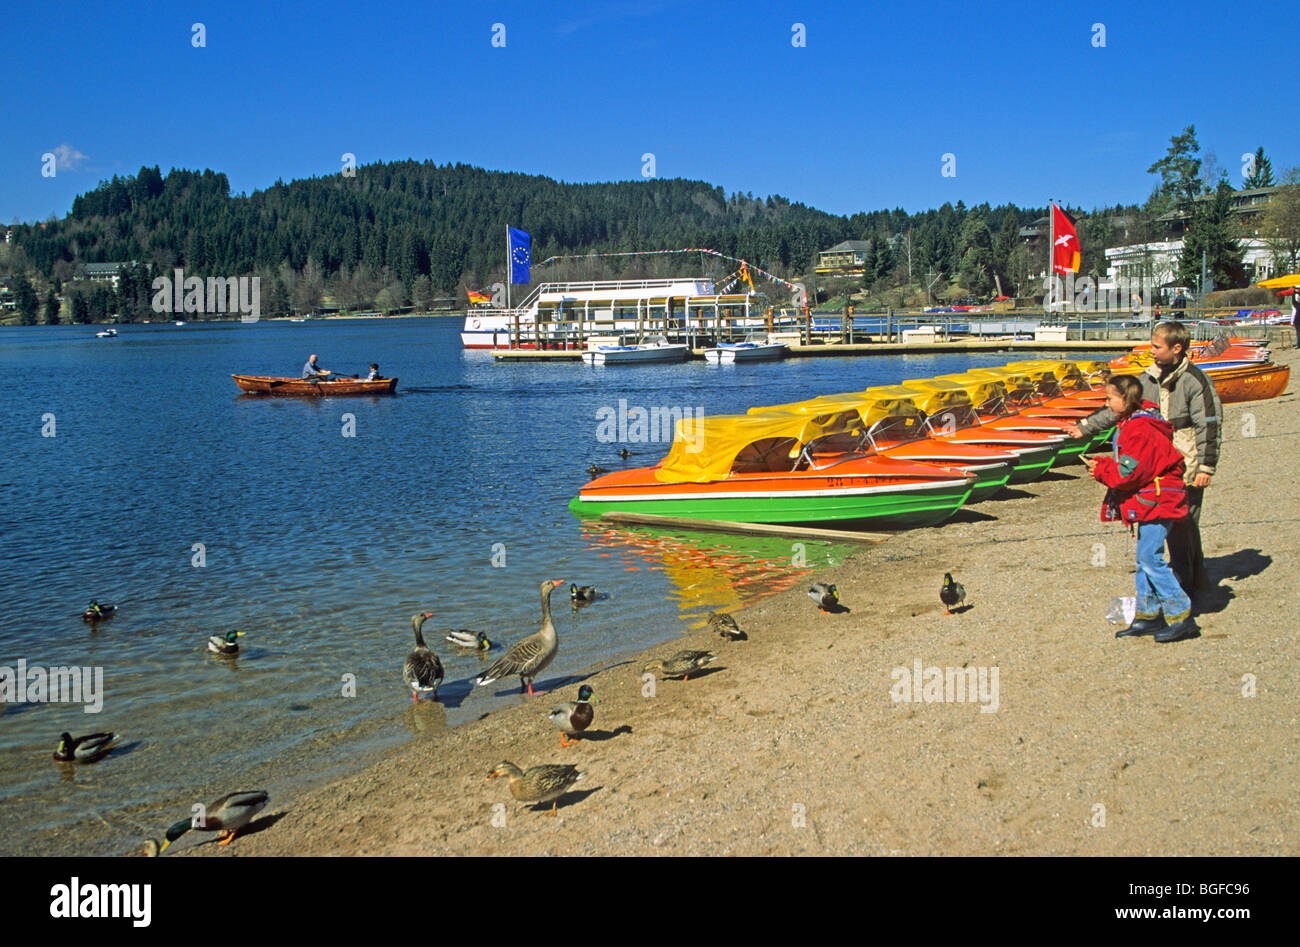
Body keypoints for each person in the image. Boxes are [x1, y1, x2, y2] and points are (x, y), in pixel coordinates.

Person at [1067, 321, 1221, 596]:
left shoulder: (1195, 380)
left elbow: (1209, 424)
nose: (1150, 351)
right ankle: (1165, 588)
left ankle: (1191, 585)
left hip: (1186, 462)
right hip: (1153, 466)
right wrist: (1084, 426)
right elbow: (1119, 407)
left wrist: (1206, 466)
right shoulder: (1146, 379)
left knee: (1184, 525)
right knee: (1155, 524)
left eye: (1156, 346)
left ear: (1176, 348)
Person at [1082, 374, 1193, 642]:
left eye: (1109, 398)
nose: (1106, 403)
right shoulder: (1135, 423)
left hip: (1158, 499)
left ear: (1125, 399)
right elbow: (1134, 467)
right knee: (1145, 559)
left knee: (1149, 559)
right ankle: (1148, 615)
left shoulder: (1138, 429)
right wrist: (1104, 464)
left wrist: (1101, 469)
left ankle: (1181, 614)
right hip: (1156, 497)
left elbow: (1128, 474)